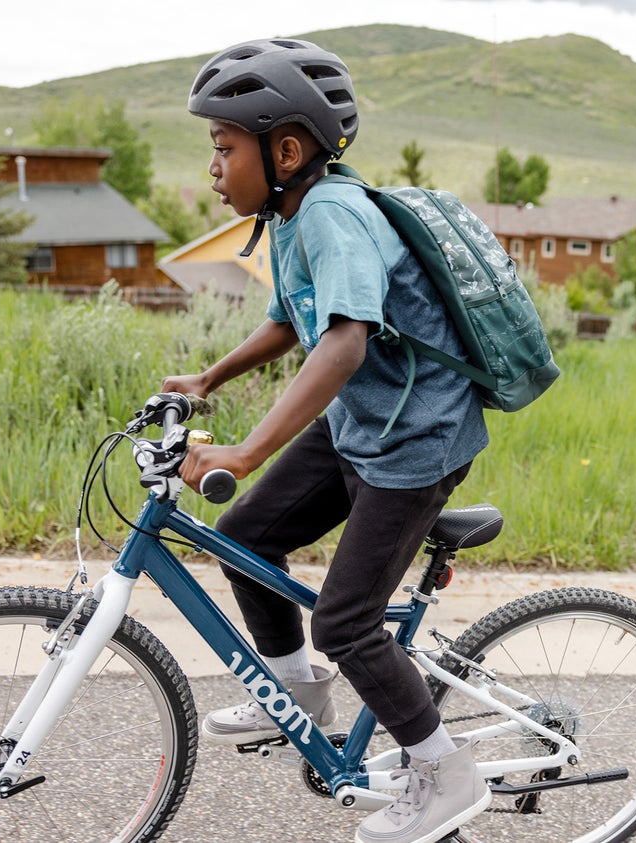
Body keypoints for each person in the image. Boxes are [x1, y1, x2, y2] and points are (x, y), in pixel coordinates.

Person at [162, 38, 492, 843]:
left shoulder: (335, 212)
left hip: (416, 444)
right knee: (245, 536)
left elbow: (342, 342)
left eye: (224, 146)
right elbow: (291, 321)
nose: (214, 166)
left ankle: (447, 775)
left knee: (345, 622)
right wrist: (210, 377)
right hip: (362, 429)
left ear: (285, 149)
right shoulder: (293, 214)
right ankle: (295, 692)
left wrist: (244, 454)